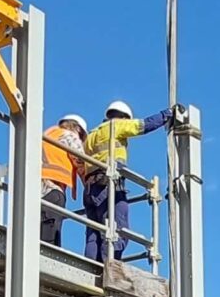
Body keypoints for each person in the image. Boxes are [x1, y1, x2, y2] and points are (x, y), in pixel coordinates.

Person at [83, 100, 173, 262]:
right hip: (108, 183)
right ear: (124, 117)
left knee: (94, 230)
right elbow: (144, 125)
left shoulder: (91, 135)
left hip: (90, 188)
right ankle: (110, 265)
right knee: (118, 228)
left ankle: (91, 265)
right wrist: (167, 114)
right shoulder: (117, 125)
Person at [41, 112, 88, 249]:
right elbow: (80, 159)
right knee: (51, 229)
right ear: (78, 129)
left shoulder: (48, 134)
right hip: (53, 187)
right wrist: (90, 184)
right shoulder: (70, 135)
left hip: (35, 186)